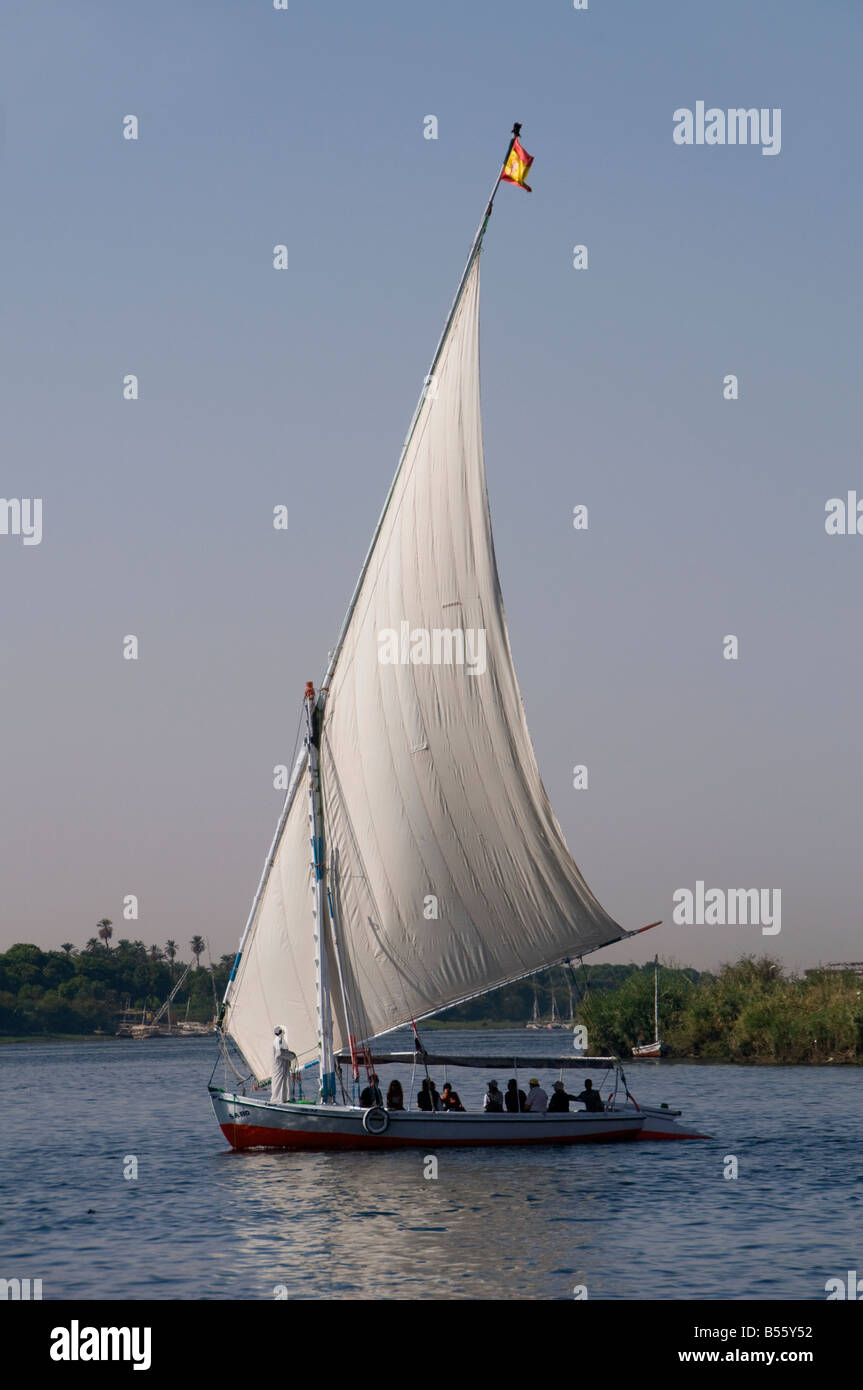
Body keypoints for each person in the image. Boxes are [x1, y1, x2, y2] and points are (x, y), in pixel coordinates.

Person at [271, 1025, 296, 1104]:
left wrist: (290, 1054)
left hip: (284, 1066)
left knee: (285, 1082)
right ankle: (278, 1100)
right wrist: (291, 1055)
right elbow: (279, 1053)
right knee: (279, 1082)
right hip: (279, 1066)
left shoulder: (281, 1040)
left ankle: (285, 1099)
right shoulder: (278, 1040)